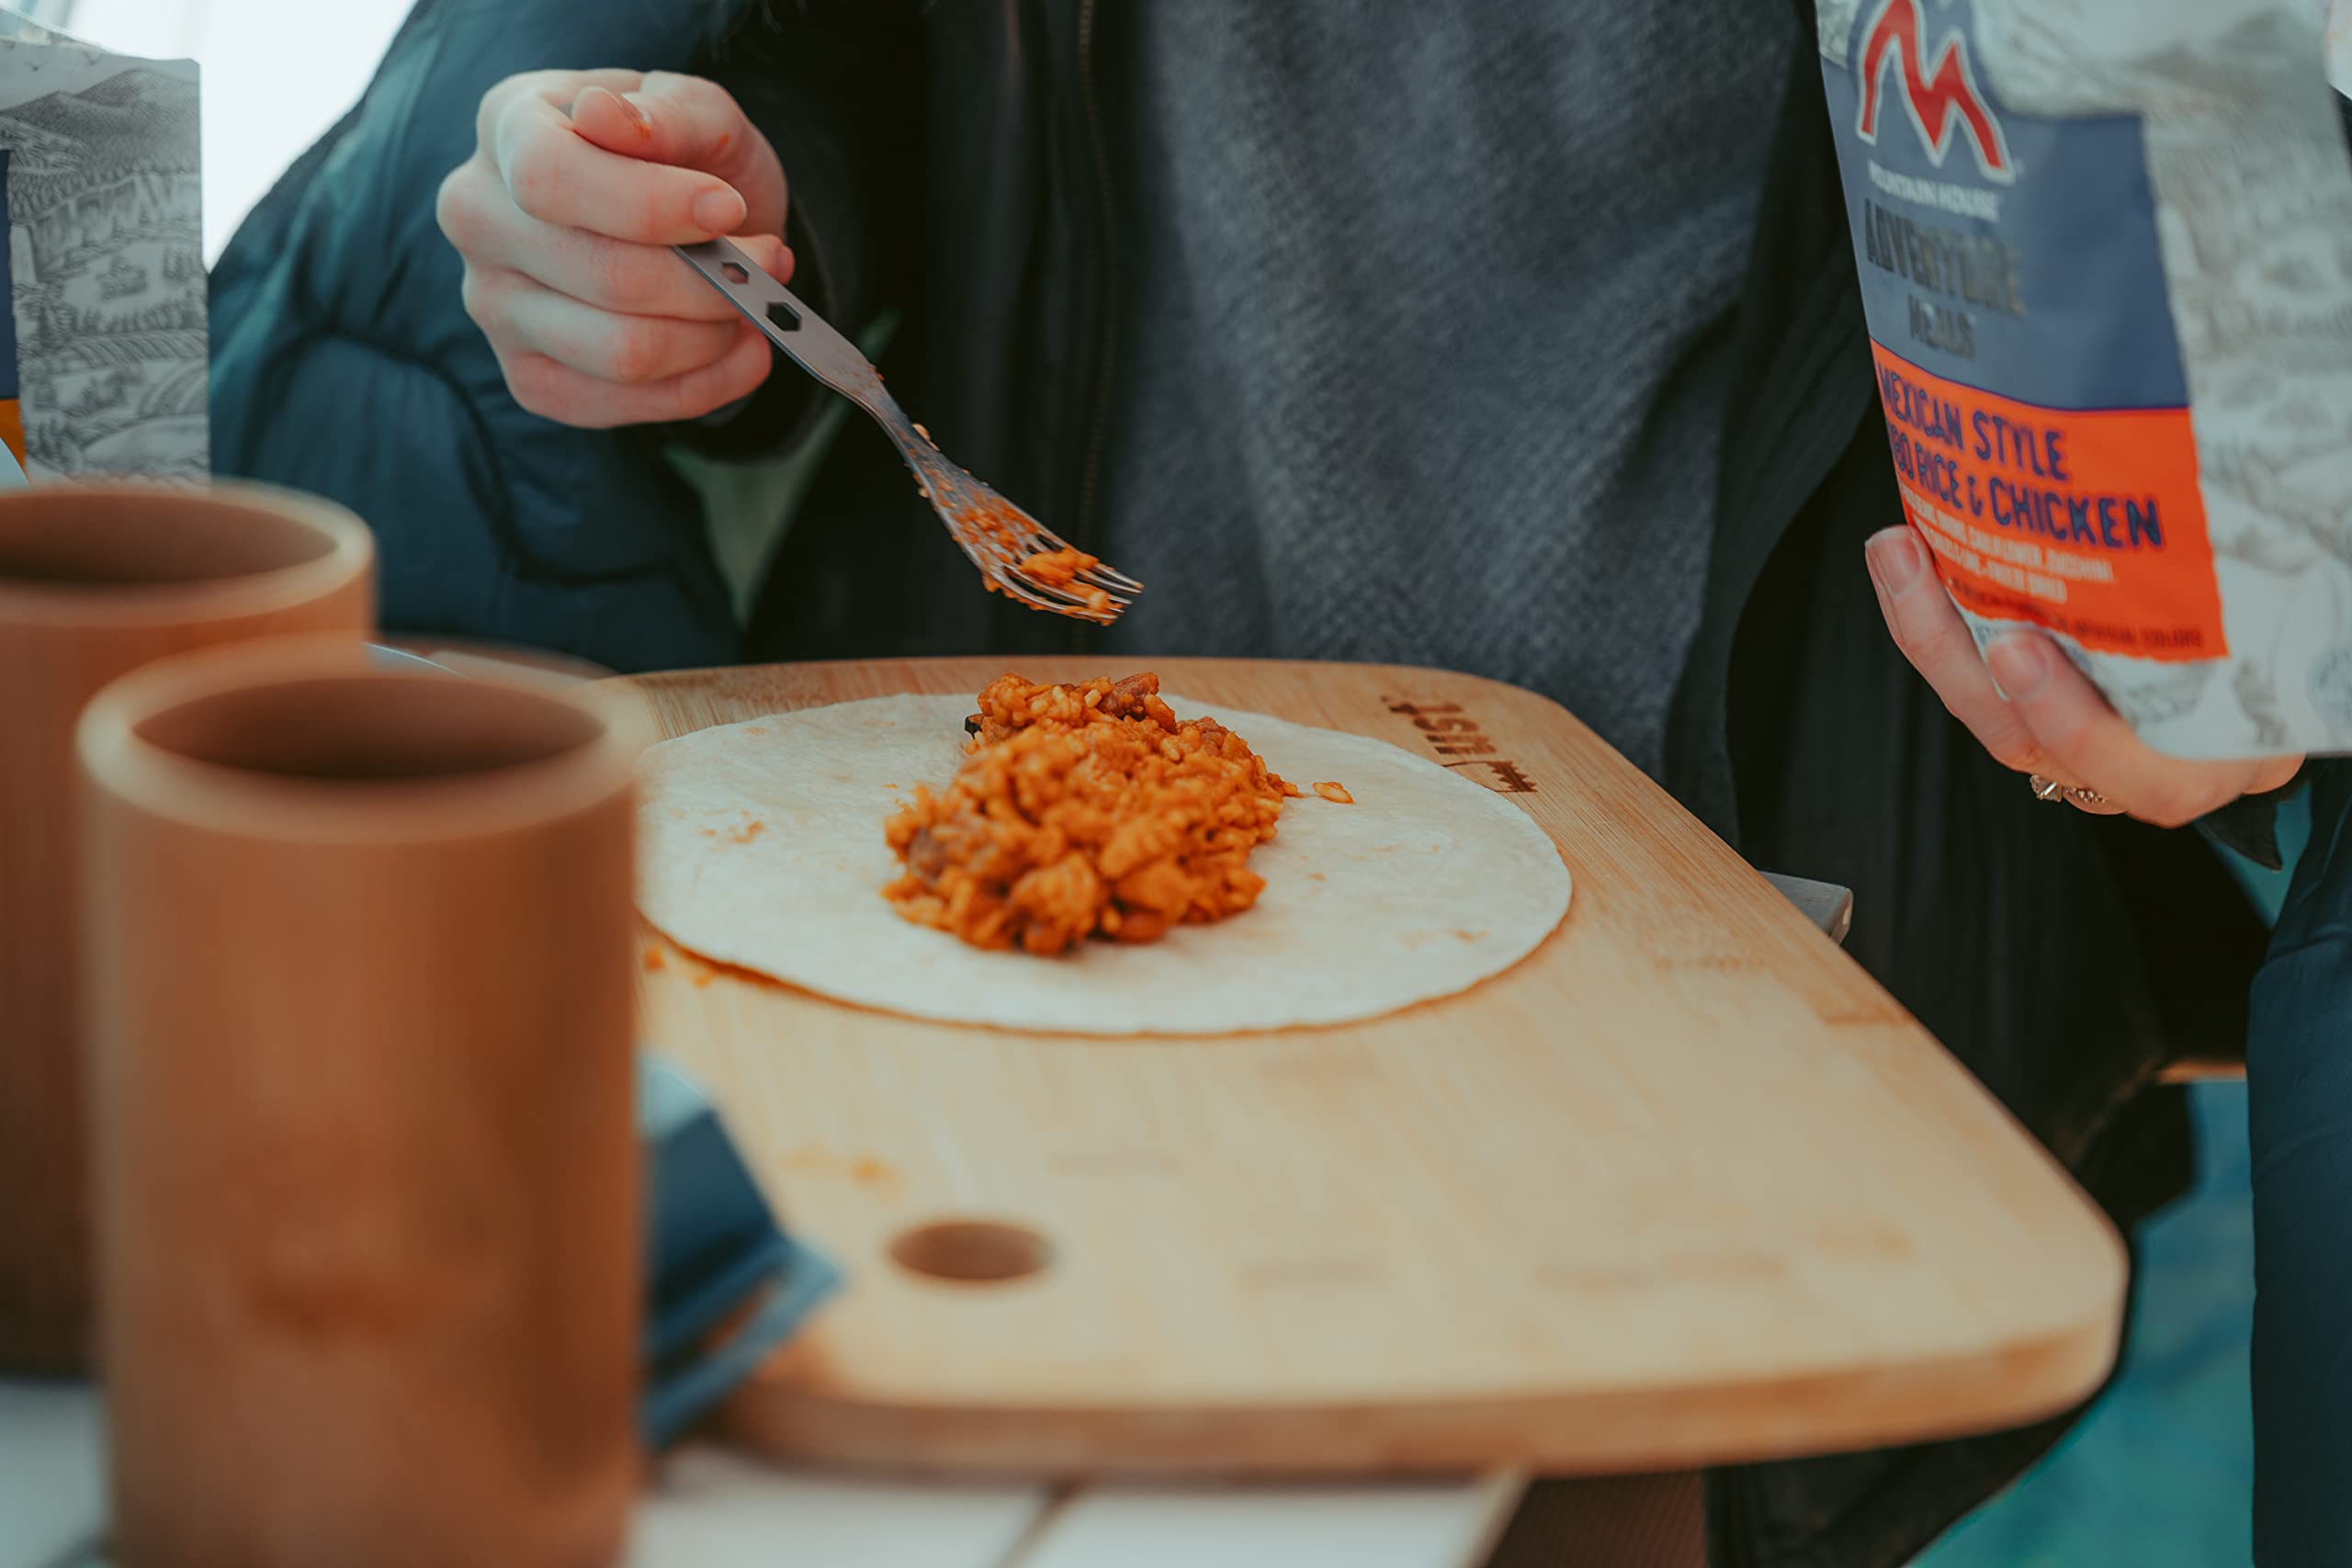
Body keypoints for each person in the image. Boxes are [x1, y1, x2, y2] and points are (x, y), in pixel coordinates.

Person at [208, 2, 2327, 1561]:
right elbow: (839, 71)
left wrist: (2269, 565)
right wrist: (703, 203)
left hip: (1711, 986)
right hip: (952, 948)